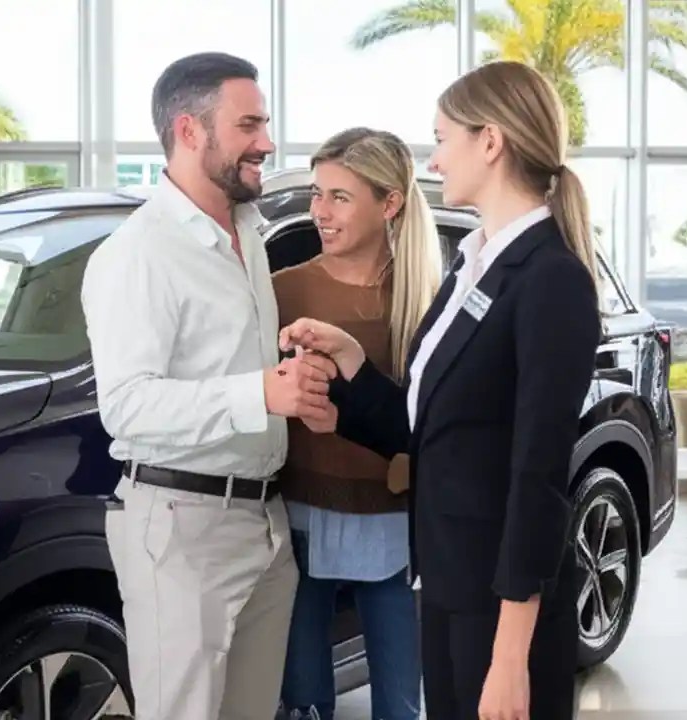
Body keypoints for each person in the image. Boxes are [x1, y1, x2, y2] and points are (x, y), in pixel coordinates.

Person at [280, 60, 602, 720]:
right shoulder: (475, 264)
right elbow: (425, 426)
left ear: (491, 142)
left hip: (502, 608)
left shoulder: (549, 278)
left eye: (442, 137)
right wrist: (349, 370)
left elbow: (537, 478)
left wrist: (510, 660)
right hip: (448, 582)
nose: (433, 157)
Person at [81, 51, 337, 720]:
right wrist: (259, 394)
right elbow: (127, 405)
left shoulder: (248, 233)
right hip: (182, 532)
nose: (268, 143)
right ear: (190, 130)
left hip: (264, 525)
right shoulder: (136, 254)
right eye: (249, 124)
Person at [273, 127, 442, 720]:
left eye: (339, 197)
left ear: (389, 202)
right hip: (296, 518)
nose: (319, 211)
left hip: (393, 523)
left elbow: (433, 421)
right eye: (317, 194)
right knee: (304, 699)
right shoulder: (282, 293)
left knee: (401, 704)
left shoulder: (429, 298)